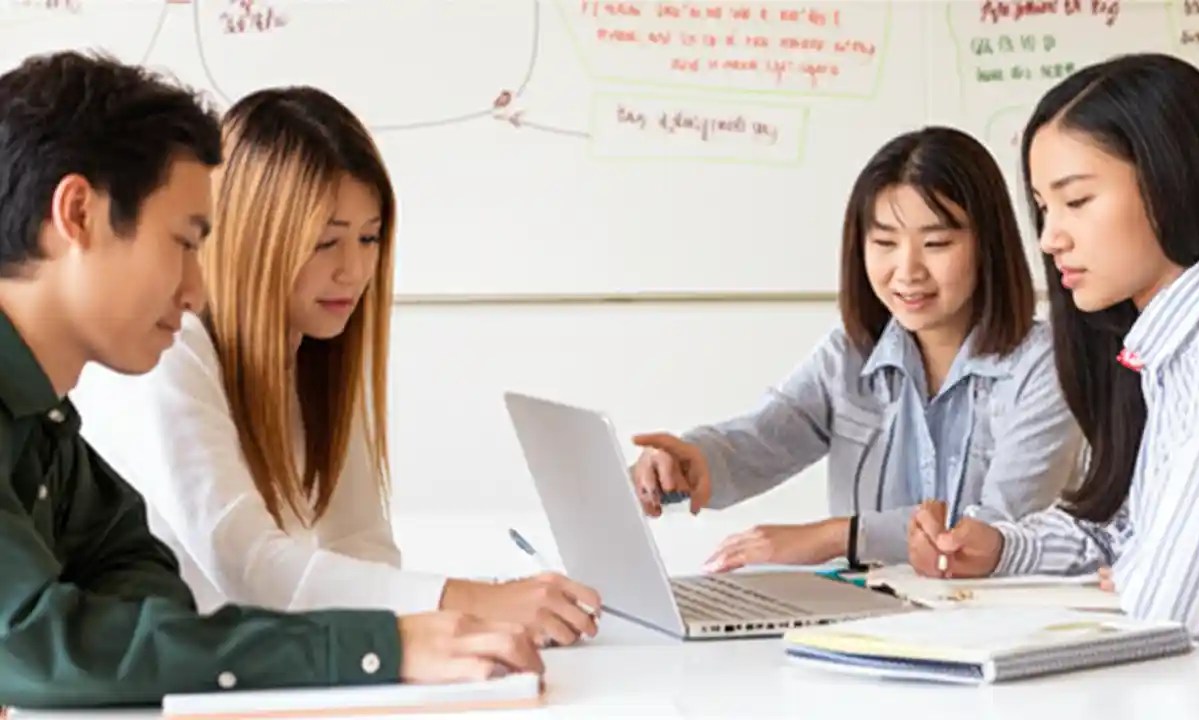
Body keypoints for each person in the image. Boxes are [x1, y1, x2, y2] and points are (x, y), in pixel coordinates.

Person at [0, 51, 540, 709]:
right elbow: (40, 644)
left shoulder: (42, 420)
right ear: (78, 214)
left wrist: (140, 643)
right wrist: (379, 646)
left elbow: (137, 580)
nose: (197, 289)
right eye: (183, 242)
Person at [72, 86, 602, 649]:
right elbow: (251, 568)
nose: (352, 271)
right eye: (326, 242)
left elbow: (362, 547)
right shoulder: (168, 355)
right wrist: (472, 600)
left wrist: (463, 626)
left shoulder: (315, 352)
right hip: (180, 682)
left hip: (272, 673)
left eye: (369, 238)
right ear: (255, 239)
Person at [909, 53, 1199, 670]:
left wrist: (1134, 573)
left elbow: (1173, 603)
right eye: (1043, 208)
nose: (1050, 237)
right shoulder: (1159, 345)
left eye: (1075, 201)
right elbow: (1118, 532)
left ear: (1171, 181)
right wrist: (1001, 547)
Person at [630, 127, 1083, 572]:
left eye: (936, 244)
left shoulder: (1047, 365)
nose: (907, 271)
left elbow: (995, 528)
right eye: (884, 243)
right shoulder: (851, 354)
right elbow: (765, 436)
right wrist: (692, 460)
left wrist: (838, 537)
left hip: (1003, 626)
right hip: (868, 620)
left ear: (989, 247)